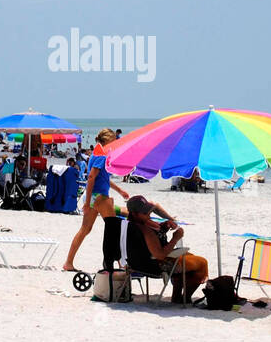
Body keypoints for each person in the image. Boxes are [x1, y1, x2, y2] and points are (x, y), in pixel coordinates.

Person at [62, 128, 132, 272]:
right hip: (99, 197)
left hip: (95, 196)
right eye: (113, 141)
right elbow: (91, 177)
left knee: (85, 229)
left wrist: (119, 190)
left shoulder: (96, 153)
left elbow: (103, 179)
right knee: (114, 229)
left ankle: (68, 262)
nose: (114, 144)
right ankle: (121, 264)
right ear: (107, 140)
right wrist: (87, 203)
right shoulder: (101, 155)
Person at [122, 196, 208, 303]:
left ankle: (177, 295)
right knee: (201, 263)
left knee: (190, 257)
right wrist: (175, 238)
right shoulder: (144, 229)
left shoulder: (130, 224)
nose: (148, 214)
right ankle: (185, 297)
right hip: (153, 266)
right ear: (135, 214)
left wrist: (164, 227)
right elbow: (160, 255)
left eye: (148, 211)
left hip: (136, 263)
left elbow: (150, 242)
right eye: (145, 213)